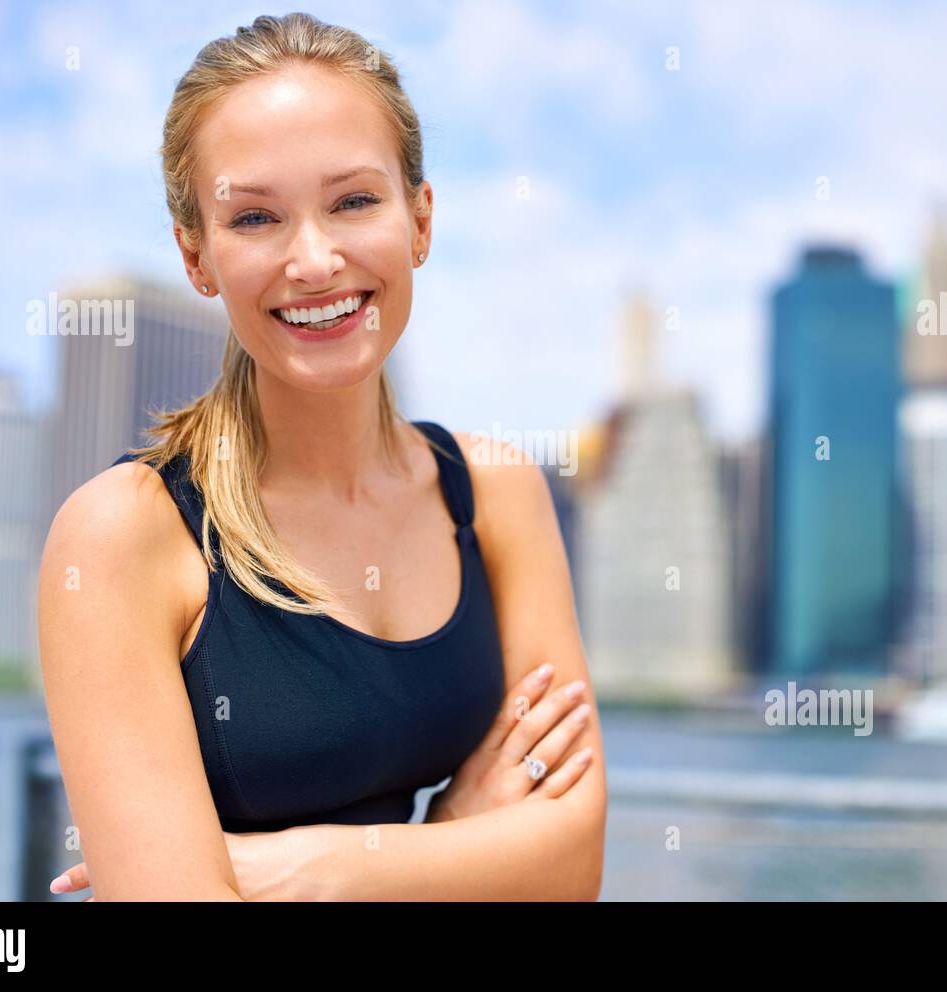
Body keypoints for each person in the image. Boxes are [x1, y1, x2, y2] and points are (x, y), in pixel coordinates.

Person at [38, 12, 605, 901]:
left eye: (353, 201)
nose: (314, 260)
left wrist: (332, 867)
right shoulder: (123, 535)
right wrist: (461, 839)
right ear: (199, 256)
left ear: (419, 221)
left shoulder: (493, 493)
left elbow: (571, 869)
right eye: (256, 217)